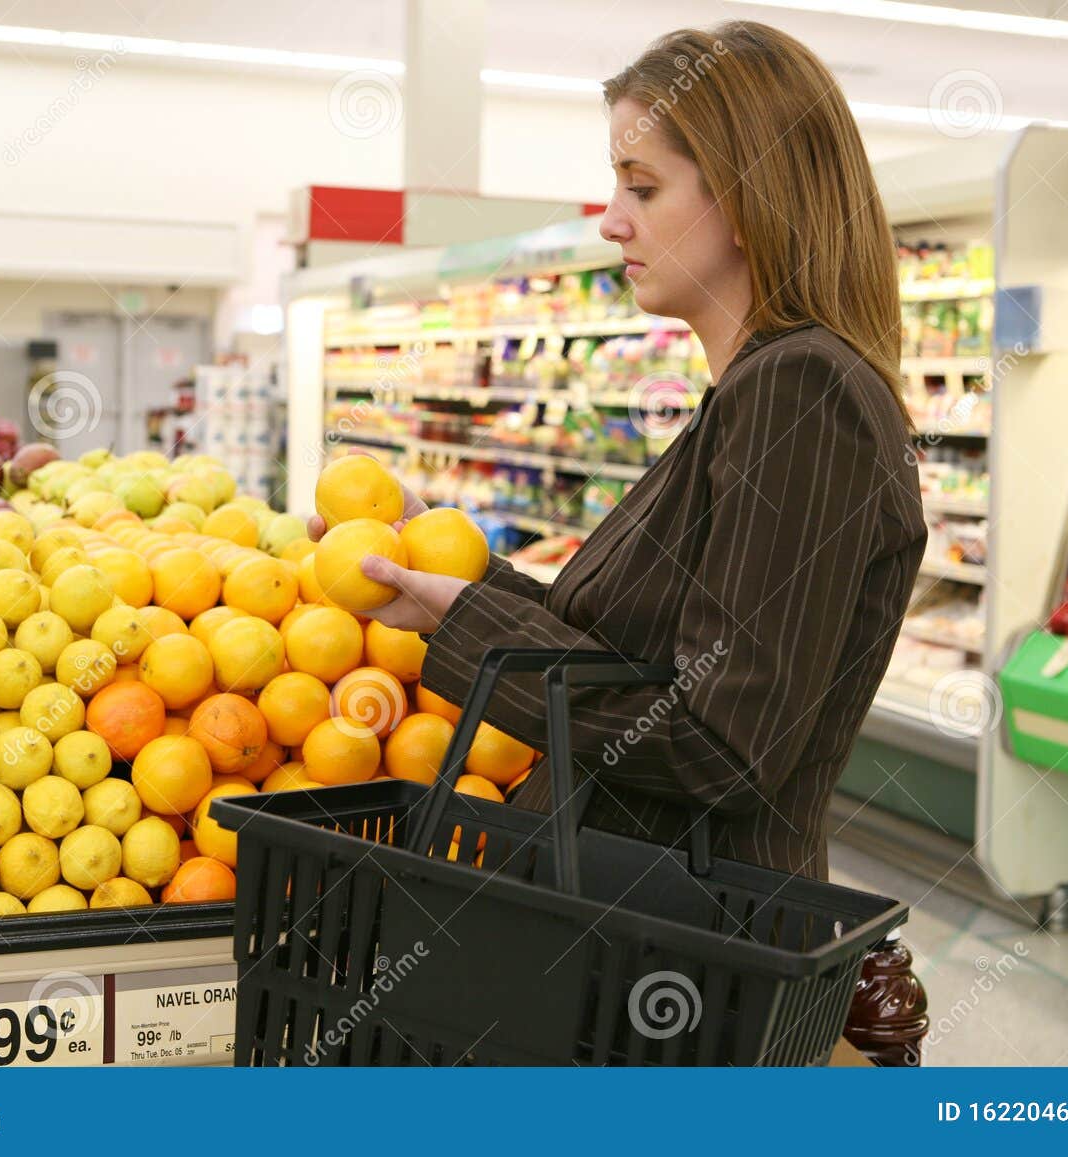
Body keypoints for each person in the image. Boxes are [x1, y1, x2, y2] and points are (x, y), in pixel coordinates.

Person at [309, 20, 926, 880]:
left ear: (749, 200)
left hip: (682, 941)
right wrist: (452, 576)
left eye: (641, 188)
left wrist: (471, 627)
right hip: (633, 920)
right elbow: (638, 661)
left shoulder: (803, 394)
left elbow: (723, 746)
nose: (610, 222)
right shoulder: (751, 391)